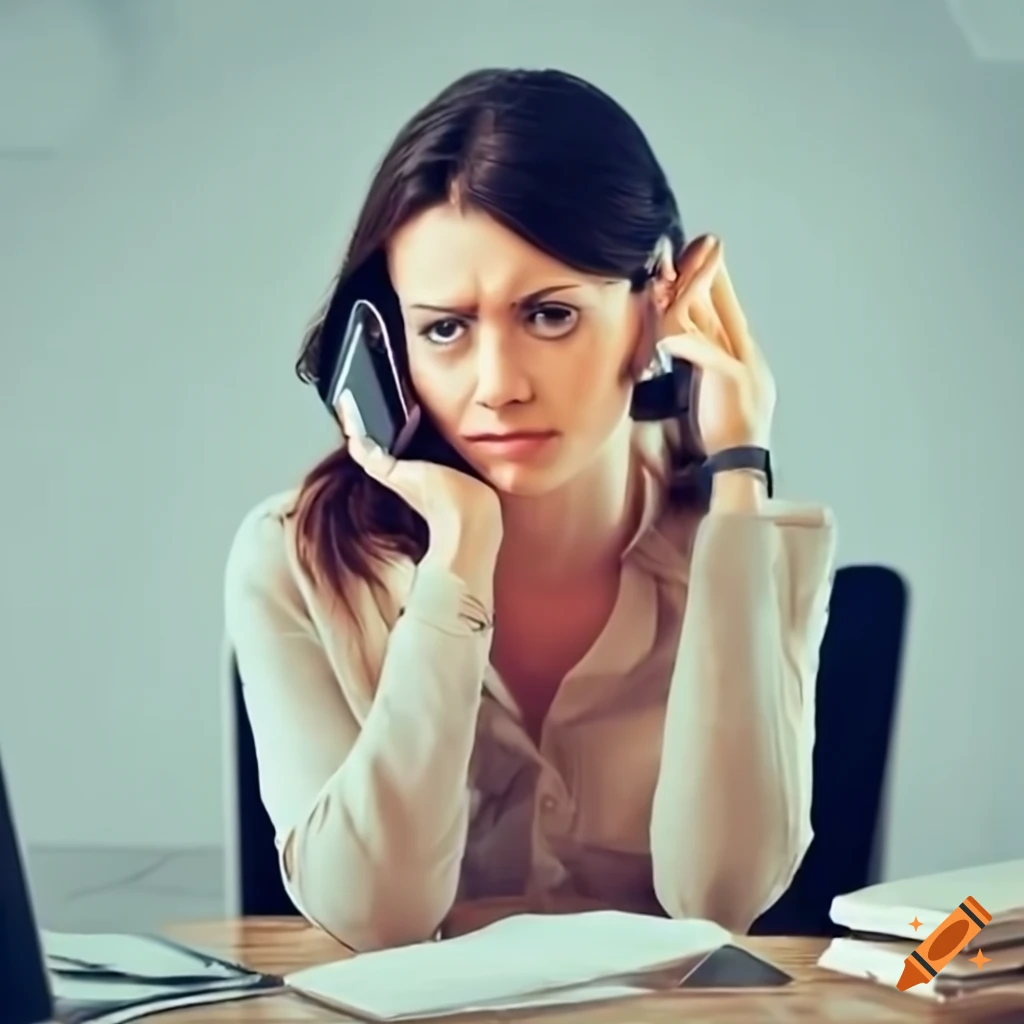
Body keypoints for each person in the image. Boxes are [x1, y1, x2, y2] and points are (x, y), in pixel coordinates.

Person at [224, 67, 836, 952]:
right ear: (388, 342)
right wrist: (459, 561)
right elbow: (376, 918)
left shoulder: (742, 539)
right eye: (444, 329)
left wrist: (741, 467)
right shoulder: (291, 557)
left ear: (656, 303)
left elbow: (721, 895)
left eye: (550, 315)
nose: (498, 388)